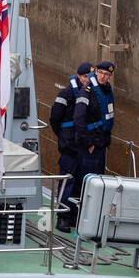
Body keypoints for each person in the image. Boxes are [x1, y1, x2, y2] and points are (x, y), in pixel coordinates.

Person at [49, 61, 91, 232]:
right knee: (67, 182)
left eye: (90, 77)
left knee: (82, 182)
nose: (88, 80)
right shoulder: (66, 93)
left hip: (83, 146)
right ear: (79, 76)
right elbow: (55, 117)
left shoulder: (91, 94)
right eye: (85, 77)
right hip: (69, 146)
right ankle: (62, 218)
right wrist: (63, 135)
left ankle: (75, 216)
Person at [73, 59, 115, 193]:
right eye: (100, 73)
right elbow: (78, 119)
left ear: (110, 77)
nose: (103, 77)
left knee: (98, 182)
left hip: (101, 144)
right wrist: (88, 143)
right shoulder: (86, 91)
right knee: (88, 184)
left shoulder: (107, 92)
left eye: (106, 75)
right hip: (89, 146)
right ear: (95, 72)